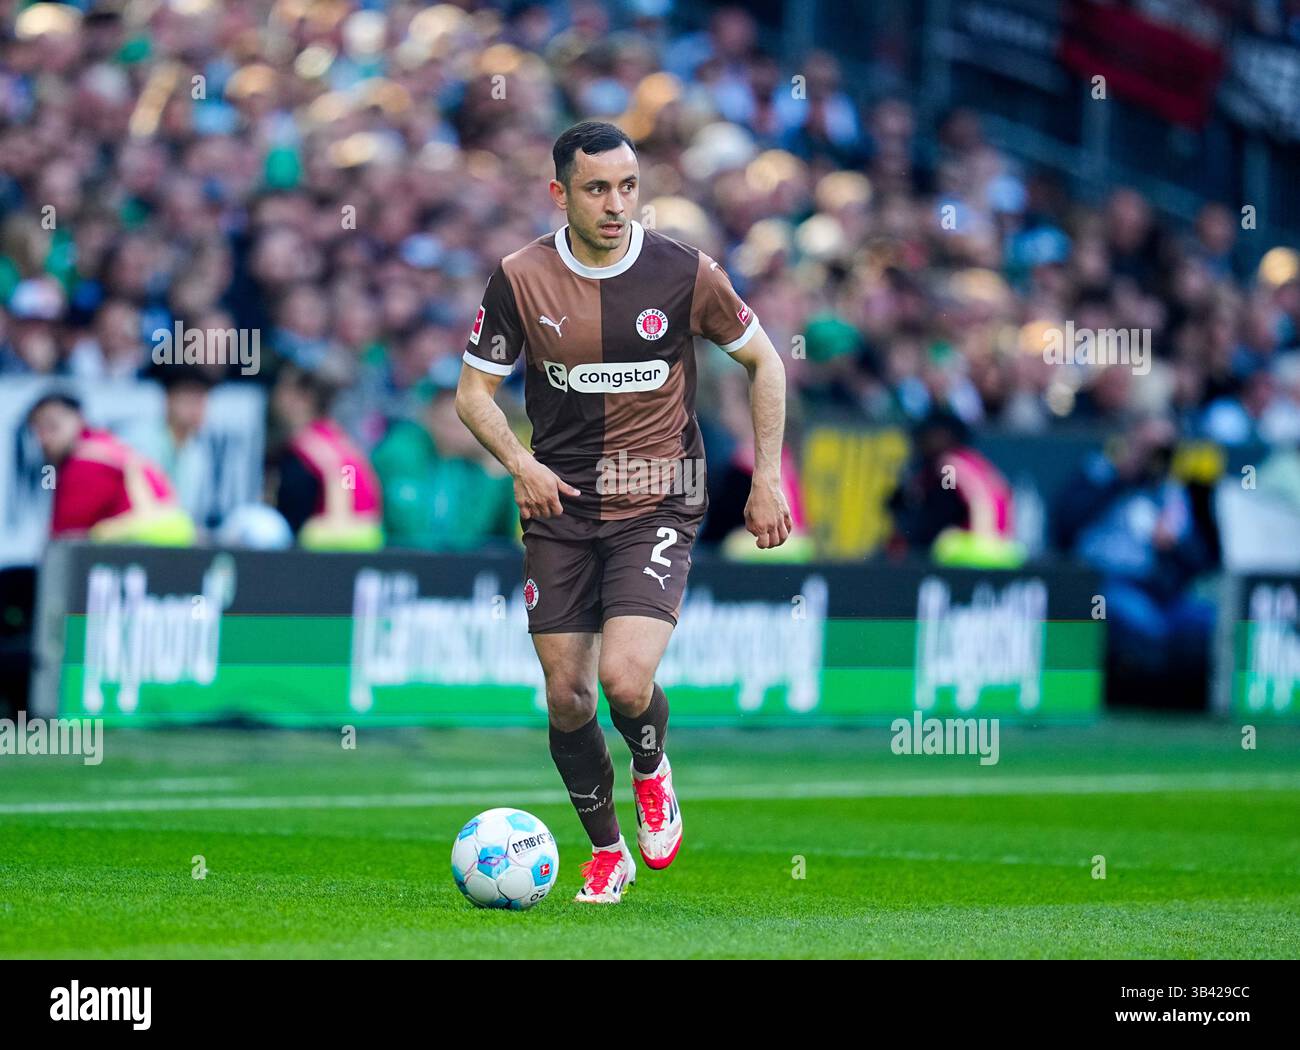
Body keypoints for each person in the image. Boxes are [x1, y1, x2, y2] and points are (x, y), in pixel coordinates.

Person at [455, 121, 791, 904]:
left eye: (628, 187)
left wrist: (768, 478)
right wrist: (520, 463)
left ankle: (650, 765)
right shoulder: (520, 277)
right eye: (598, 189)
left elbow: (764, 360)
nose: (616, 205)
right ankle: (607, 851)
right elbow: (473, 392)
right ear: (561, 193)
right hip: (560, 501)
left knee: (626, 683)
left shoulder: (684, 271)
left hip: (658, 495)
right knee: (568, 696)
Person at [26, 392, 195, 545]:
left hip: (146, 541)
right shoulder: (102, 444)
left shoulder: (82, 465)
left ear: (79, 420)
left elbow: (63, 537)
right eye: (38, 430)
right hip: (171, 535)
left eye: (52, 426)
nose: (44, 439)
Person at [371, 379, 518, 551]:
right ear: (429, 414)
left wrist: (491, 477)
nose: (455, 426)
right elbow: (409, 528)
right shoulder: (400, 452)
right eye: (447, 417)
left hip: (461, 566)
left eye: (463, 420)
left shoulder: (482, 464)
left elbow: (483, 533)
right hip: (400, 561)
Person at [271, 363, 384, 551]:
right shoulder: (335, 435)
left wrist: (340, 518)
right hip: (368, 527)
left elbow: (340, 473)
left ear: (304, 399)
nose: (276, 396)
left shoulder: (310, 440)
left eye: (284, 390)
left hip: (348, 531)